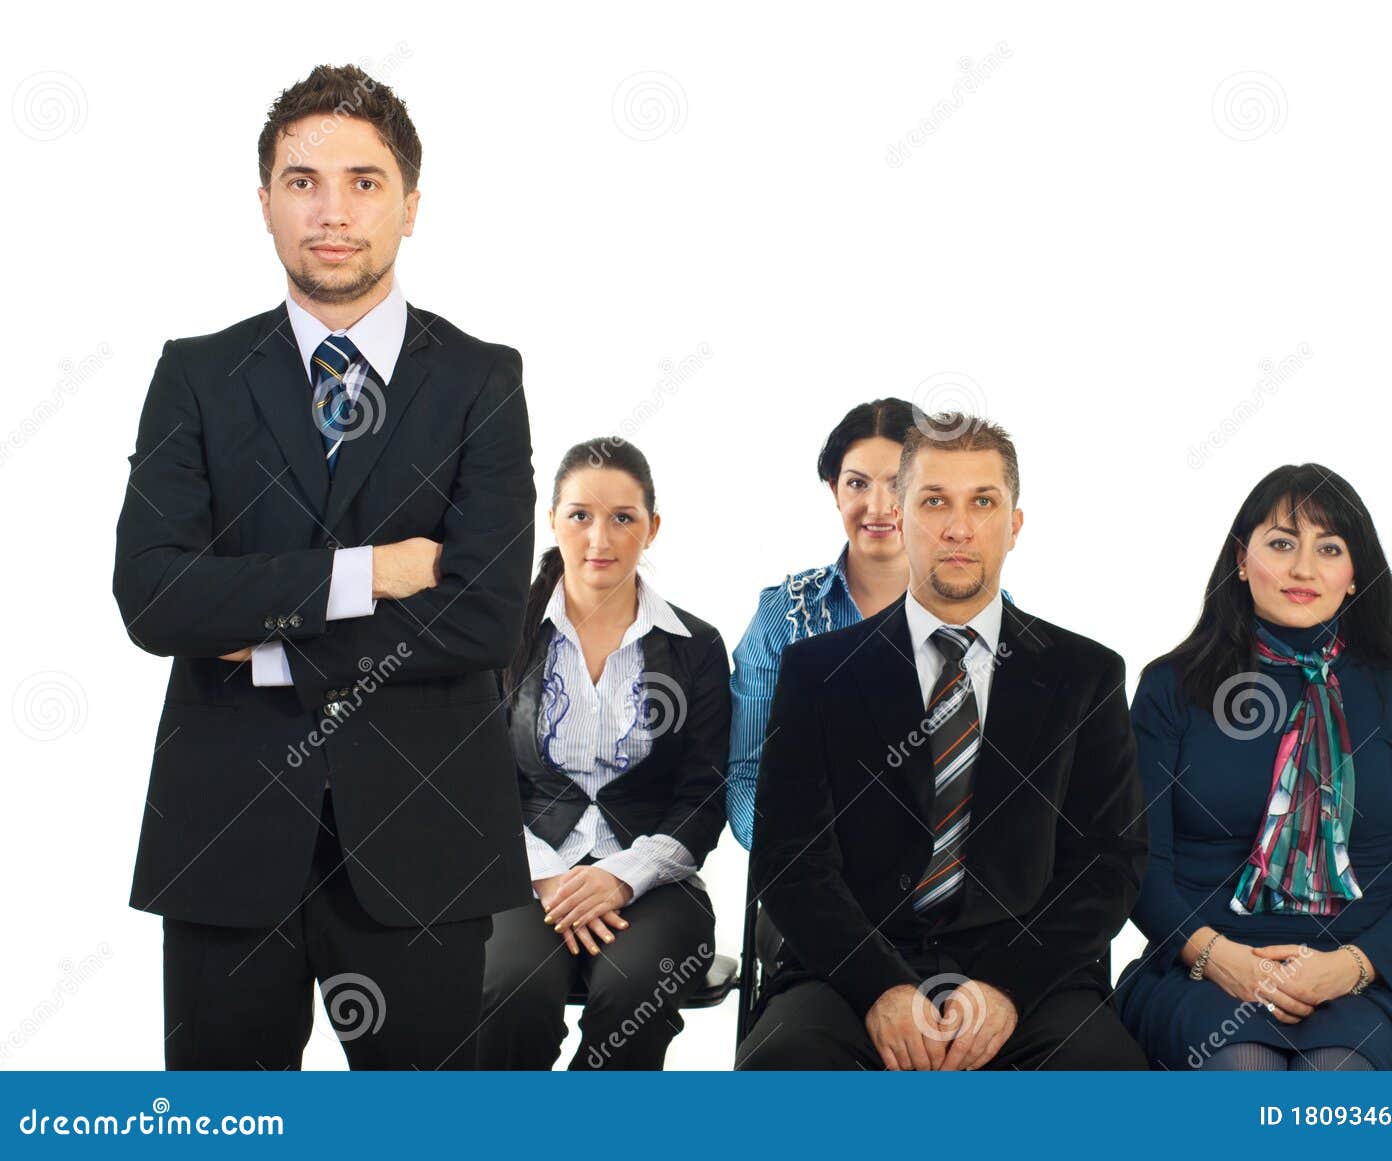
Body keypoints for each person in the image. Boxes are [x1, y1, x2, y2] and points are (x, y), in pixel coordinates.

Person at [111, 65, 536, 1069]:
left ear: (411, 204)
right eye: (302, 182)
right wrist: (369, 572)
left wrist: (262, 647)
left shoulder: (482, 379)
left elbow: (482, 618)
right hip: (225, 839)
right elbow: (157, 595)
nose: (332, 211)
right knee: (222, 1135)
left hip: (426, 843)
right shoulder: (197, 375)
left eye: (364, 181)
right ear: (264, 203)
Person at [737, 412, 1148, 1070]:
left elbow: (1110, 862)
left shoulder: (1084, 674)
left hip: (1027, 977)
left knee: (1108, 1076)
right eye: (934, 501)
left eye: (983, 501)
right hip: (849, 970)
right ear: (899, 518)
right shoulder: (819, 673)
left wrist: (1007, 989)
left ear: (1015, 523)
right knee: (783, 1068)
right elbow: (791, 859)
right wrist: (882, 987)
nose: (958, 528)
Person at [1115, 464, 1392, 1070]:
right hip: (1200, 971)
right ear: (1242, 562)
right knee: (1241, 1066)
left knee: (1335, 1074)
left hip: (1363, 977)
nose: (1304, 569)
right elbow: (1138, 866)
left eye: (1329, 548)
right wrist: (1223, 960)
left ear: (1355, 575)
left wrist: (1347, 968)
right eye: (1282, 543)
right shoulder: (1170, 687)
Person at [477, 439, 730, 1070]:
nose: (600, 537)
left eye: (623, 517)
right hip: (524, 875)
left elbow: (705, 793)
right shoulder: (500, 637)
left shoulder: (695, 644)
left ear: (653, 527)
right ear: (552, 521)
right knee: (510, 989)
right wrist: (551, 878)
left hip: (655, 880)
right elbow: (473, 782)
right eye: (580, 516)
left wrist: (619, 878)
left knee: (633, 989)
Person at [725, 398, 917, 849]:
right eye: (857, 483)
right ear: (834, 490)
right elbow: (749, 775)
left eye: (900, 483)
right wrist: (804, 873)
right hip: (810, 876)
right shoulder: (785, 615)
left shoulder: (977, 610)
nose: (878, 505)